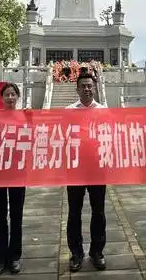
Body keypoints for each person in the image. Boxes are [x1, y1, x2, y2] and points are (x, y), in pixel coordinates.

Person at [65, 73, 108, 272]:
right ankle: (76, 252)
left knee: (98, 211)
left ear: (95, 88)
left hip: (97, 168)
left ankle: (97, 251)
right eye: (83, 86)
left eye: (90, 86)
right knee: (74, 212)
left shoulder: (103, 111)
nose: (87, 89)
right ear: (77, 89)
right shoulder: (68, 111)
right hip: (75, 168)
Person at [0, 83, 27, 275]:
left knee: (16, 215)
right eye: (7, 95)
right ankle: (1, 258)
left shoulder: (25, 117)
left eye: (13, 94)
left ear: (17, 97)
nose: (10, 98)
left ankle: (15, 257)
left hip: (18, 171)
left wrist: (32, 118)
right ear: (1, 98)